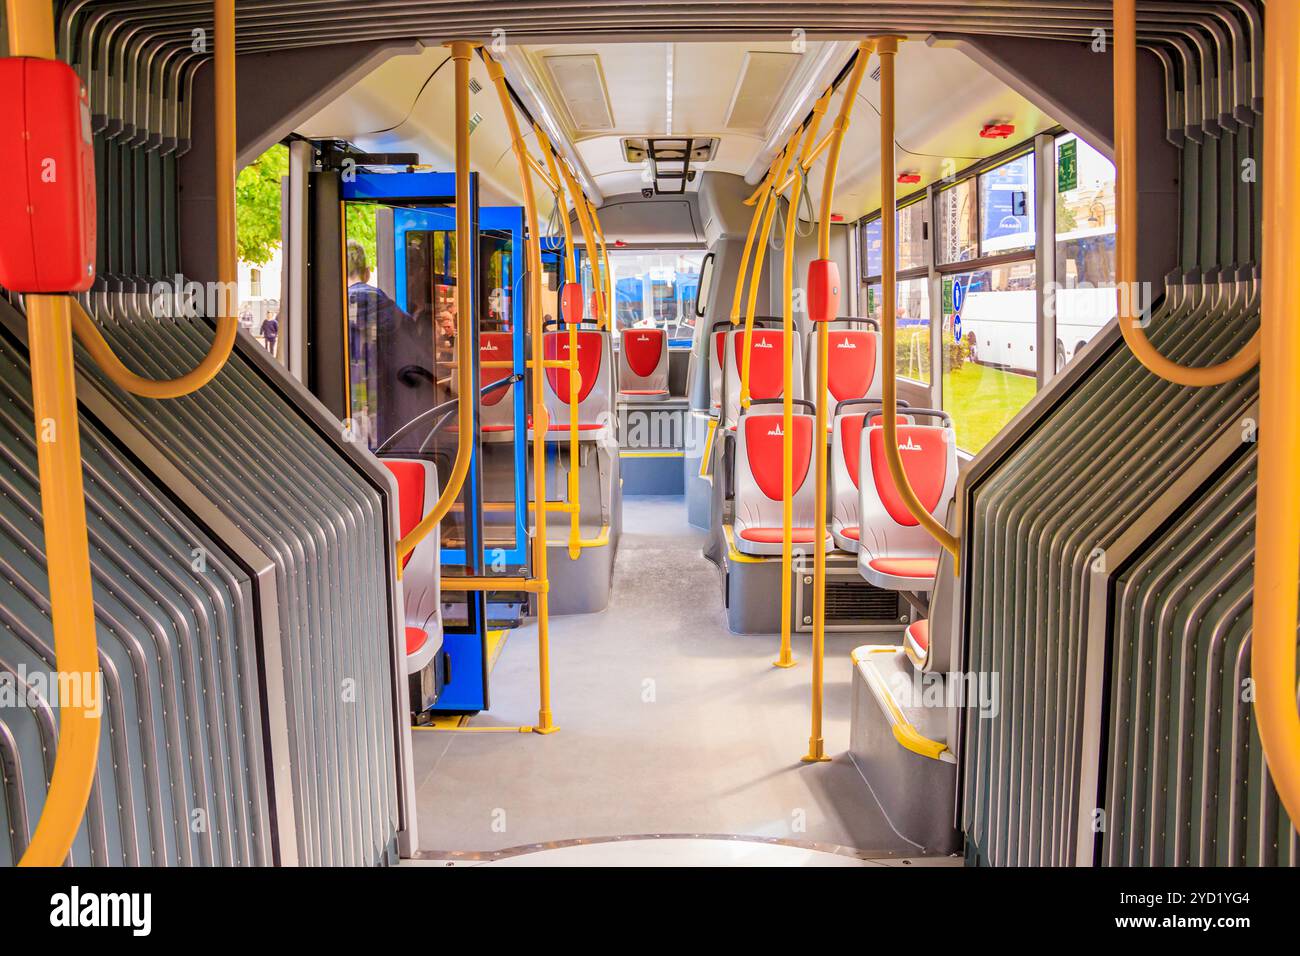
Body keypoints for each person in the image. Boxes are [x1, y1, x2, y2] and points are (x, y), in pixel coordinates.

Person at [347, 240, 434, 450]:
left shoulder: (334, 319)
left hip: (352, 432)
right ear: (367, 273)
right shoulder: (400, 318)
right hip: (398, 433)